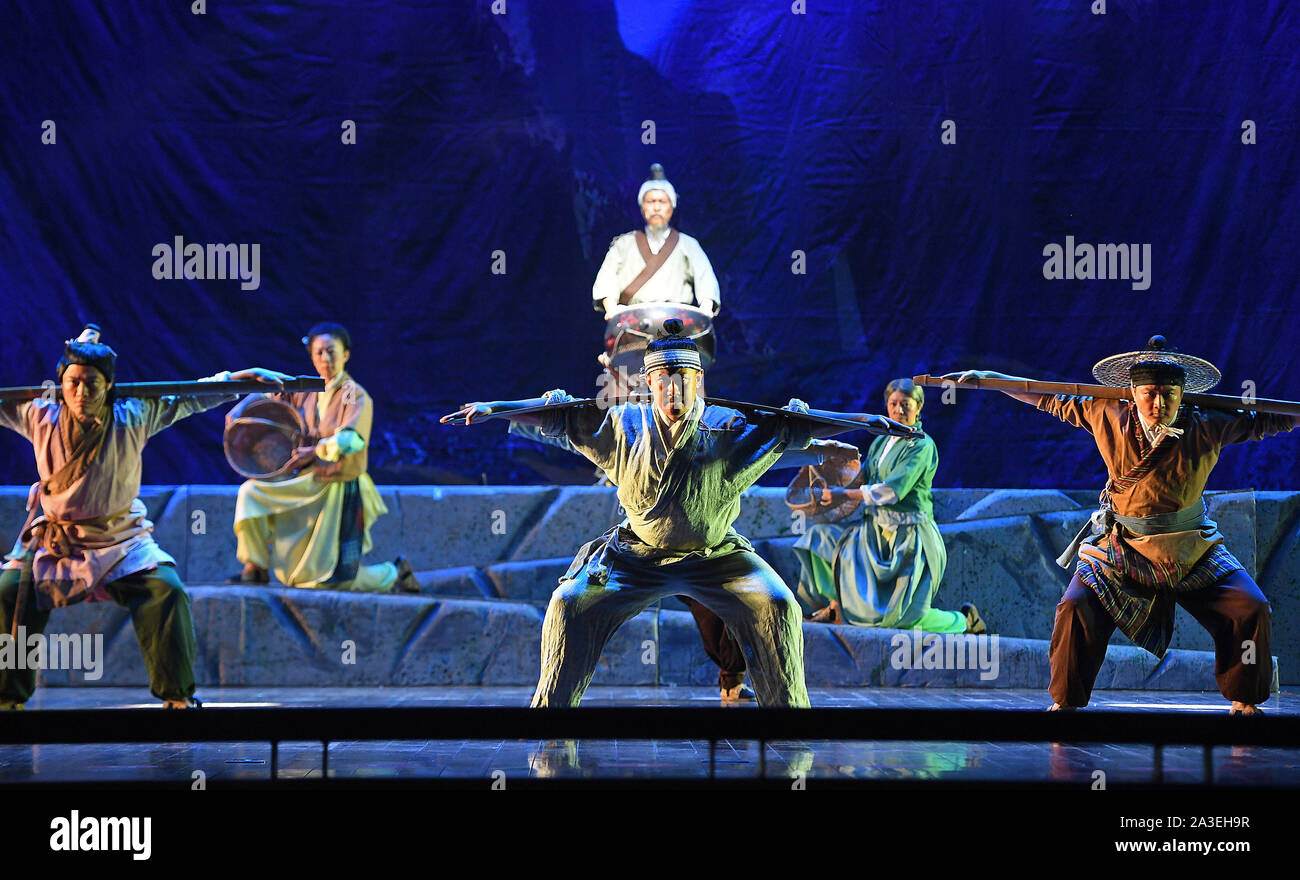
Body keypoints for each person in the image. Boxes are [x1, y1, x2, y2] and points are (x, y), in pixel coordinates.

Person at [443, 330, 913, 708]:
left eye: (683, 379)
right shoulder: (624, 424)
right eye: (663, 380)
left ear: (699, 383)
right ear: (649, 384)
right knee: (569, 603)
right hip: (635, 558)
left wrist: (868, 421)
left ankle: (789, 719)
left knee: (777, 605)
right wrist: (492, 409)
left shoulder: (728, 427)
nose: (673, 390)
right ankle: (549, 716)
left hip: (716, 558)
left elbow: (794, 428)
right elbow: (560, 417)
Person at [947, 336, 1292, 714]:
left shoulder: (1208, 424)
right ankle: (1065, 703)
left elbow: (1269, 419)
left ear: (1183, 393)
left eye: (1169, 394)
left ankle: (1244, 701)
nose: (1159, 403)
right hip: (1123, 544)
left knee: (1250, 607)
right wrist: (991, 377)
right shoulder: (1106, 413)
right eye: (1150, 393)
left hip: (1192, 546)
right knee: (1075, 607)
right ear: (1132, 391)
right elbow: (1046, 397)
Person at [0, 325, 292, 709]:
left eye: (92, 383)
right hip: (58, 543)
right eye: (73, 382)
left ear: (108, 386)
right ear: (60, 383)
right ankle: (8, 699)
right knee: (9, 590)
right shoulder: (39, 417)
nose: (81, 393)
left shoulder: (134, 415)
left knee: (166, 589)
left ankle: (176, 697)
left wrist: (240, 379)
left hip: (120, 541)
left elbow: (192, 396)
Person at [230, 323, 417, 594]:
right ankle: (254, 566)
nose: (325, 359)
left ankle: (393, 573)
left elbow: (352, 439)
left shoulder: (353, 393)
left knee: (327, 580)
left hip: (337, 485)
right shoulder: (307, 389)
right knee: (250, 493)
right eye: (319, 353)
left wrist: (316, 450)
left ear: (346, 354)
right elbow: (271, 394)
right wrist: (242, 408)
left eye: (331, 352)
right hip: (306, 481)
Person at [793, 378, 985, 634]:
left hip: (908, 541)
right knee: (817, 540)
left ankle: (964, 621)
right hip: (872, 534)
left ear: (918, 407)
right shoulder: (881, 442)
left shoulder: (921, 445)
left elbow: (891, 491)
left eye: (906, 404)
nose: (899, 410)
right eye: (894, 404)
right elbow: (862, 478)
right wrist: (822, 463)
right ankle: (836, 608)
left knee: (900, 619)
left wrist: (845, 495)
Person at [592, 164, 720, 319]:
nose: (657, 207)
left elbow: (705, 276)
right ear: (642, 207)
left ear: (672, 207)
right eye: (651, 201)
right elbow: (607, 276)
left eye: (662, 201)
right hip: (633, 321)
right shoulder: (623, 244)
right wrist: (611, 308)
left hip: (677, 323)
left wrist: (706, 308)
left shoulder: (688, 244)